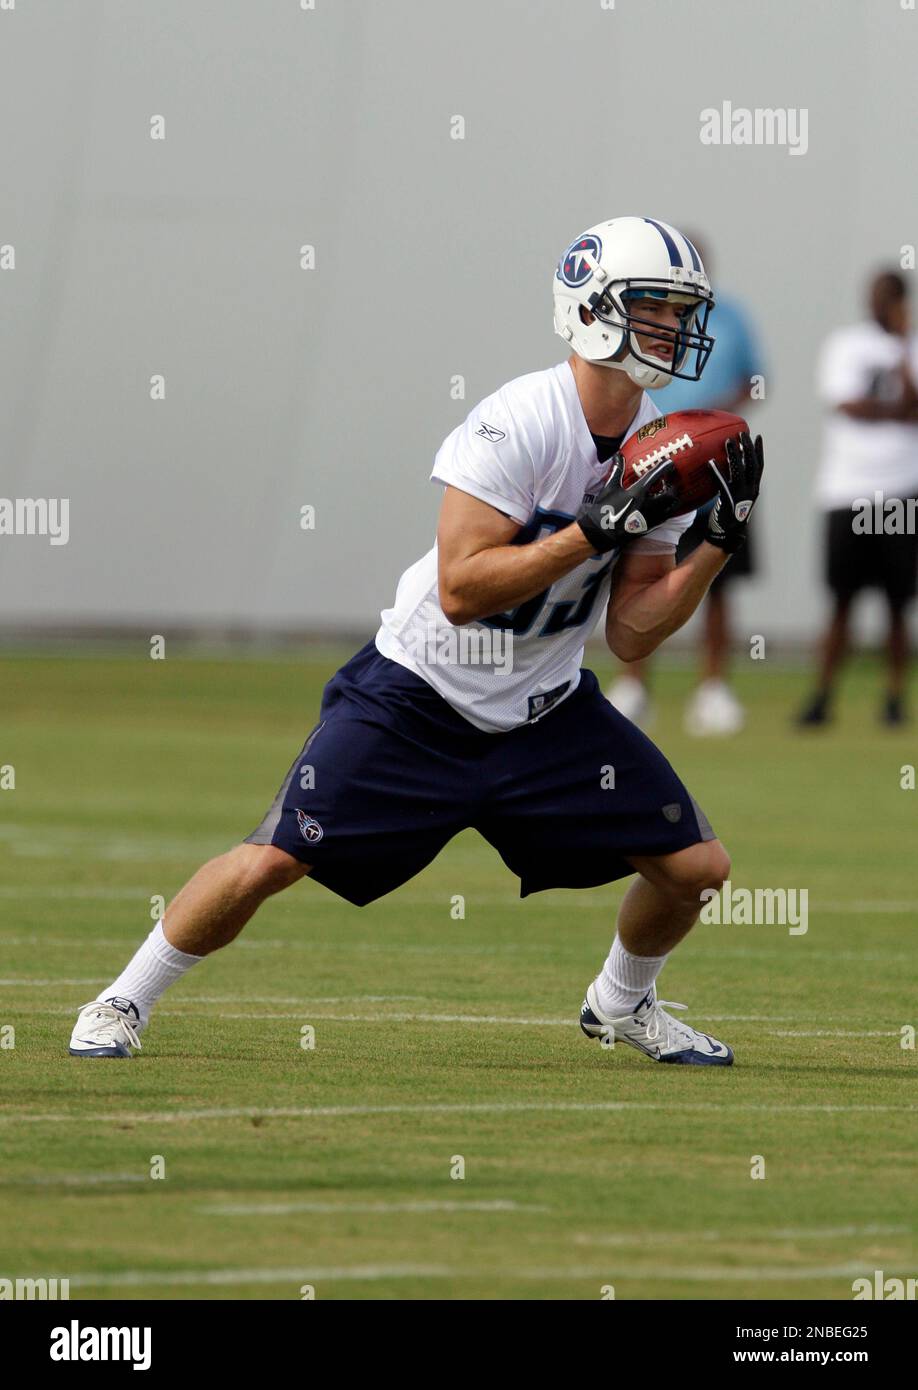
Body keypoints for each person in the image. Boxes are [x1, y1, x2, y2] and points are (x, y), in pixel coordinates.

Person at [69, 216, 763, 1067]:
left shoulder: (660, 444)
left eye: (679, 310)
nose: (675, 329)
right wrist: (588, 533)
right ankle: (121, 1000)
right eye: (654, 307)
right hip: (419, 695)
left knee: (697, 867)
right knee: (271, 862)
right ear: (591, 309)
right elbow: (463, 590)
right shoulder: (520, 420)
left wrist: (714, 547)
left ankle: (620, 1005)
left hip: (543, 712)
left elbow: (629, 634)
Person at [606, 236, 765, 734]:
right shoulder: (638, 313)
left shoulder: (732, 316)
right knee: (637, 572)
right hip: (651, 465)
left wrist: (707, 423)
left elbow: (755, 381)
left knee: (717, 578)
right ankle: (633, 687)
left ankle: (713, 689)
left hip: (715, 466)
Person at [798, 270, 918, 727]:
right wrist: (897, 413)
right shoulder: (845, 345)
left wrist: (905, 352)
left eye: (888, 298)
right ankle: (823, 696)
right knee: (841, 600)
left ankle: (893, 699)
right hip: (847, 490)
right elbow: (846, 404)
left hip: (902, 489)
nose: (880, 305)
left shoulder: (912, 347)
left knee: (897, 602)